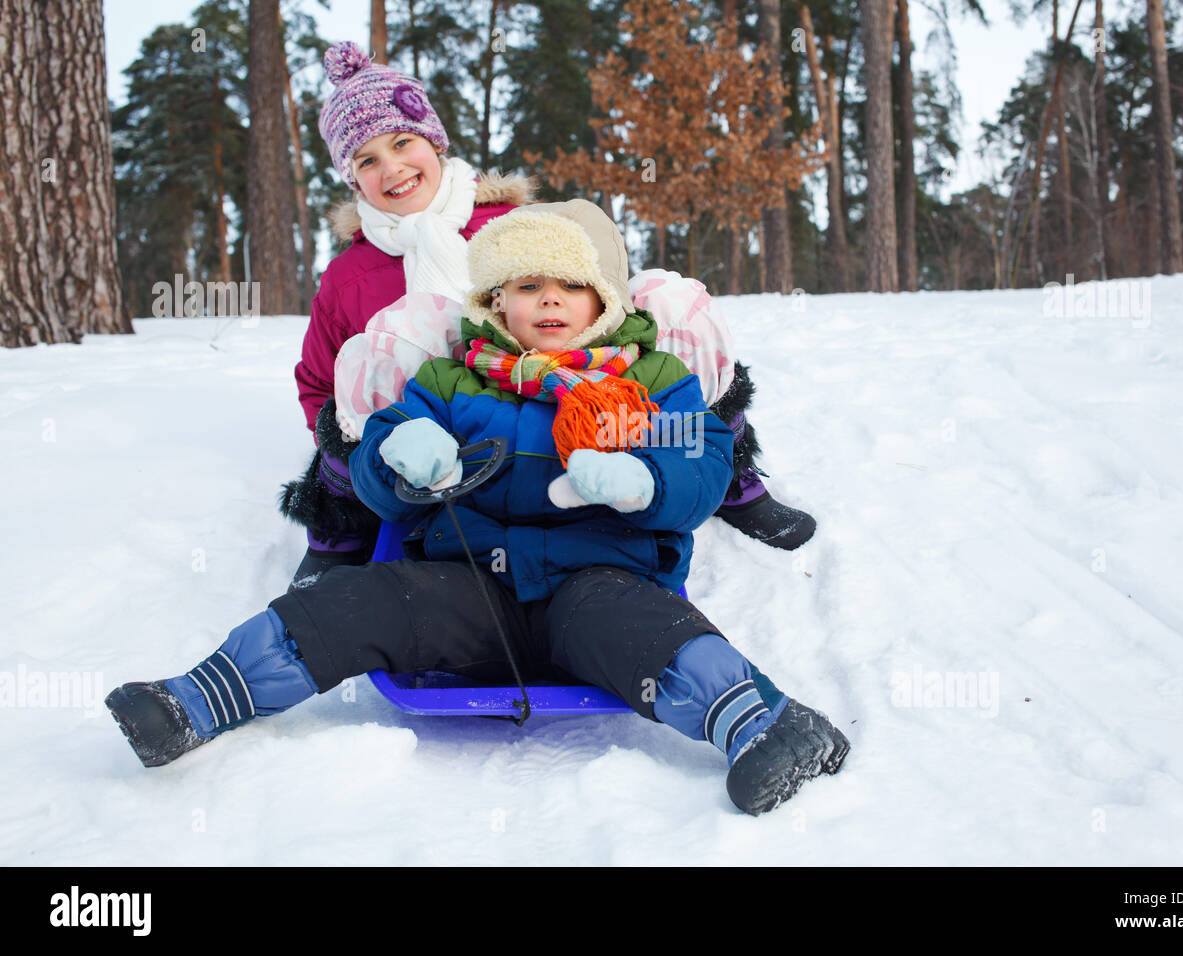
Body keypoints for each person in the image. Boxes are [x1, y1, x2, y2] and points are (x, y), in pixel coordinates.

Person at [105, 200, 848, 816]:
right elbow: (378, 463)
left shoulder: (655, 380)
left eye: (569, 284)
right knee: (354, 602)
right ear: (496, 302)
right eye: (526, 286)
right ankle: (198, 700)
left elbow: (702, 465)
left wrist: (642, 482)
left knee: (653, 636)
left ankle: (770, 726)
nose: (549, 299)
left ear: (603, 299)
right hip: (466, 581)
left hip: (600, 580)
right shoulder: (452, 377)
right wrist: (401, 457)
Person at [281, 41, 815, 591]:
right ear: (352, 178)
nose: (391, 167)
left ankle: (722, 474)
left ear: (434, 143)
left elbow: (591, 292)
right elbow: (320, 379)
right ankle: (344, 523)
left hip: (565, 385)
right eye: (367, 160)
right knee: (390, 339)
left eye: (402, 142)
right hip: (446, 420)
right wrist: (355, 449)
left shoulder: (513, 220)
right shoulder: (350, 275)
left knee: (669, 300)